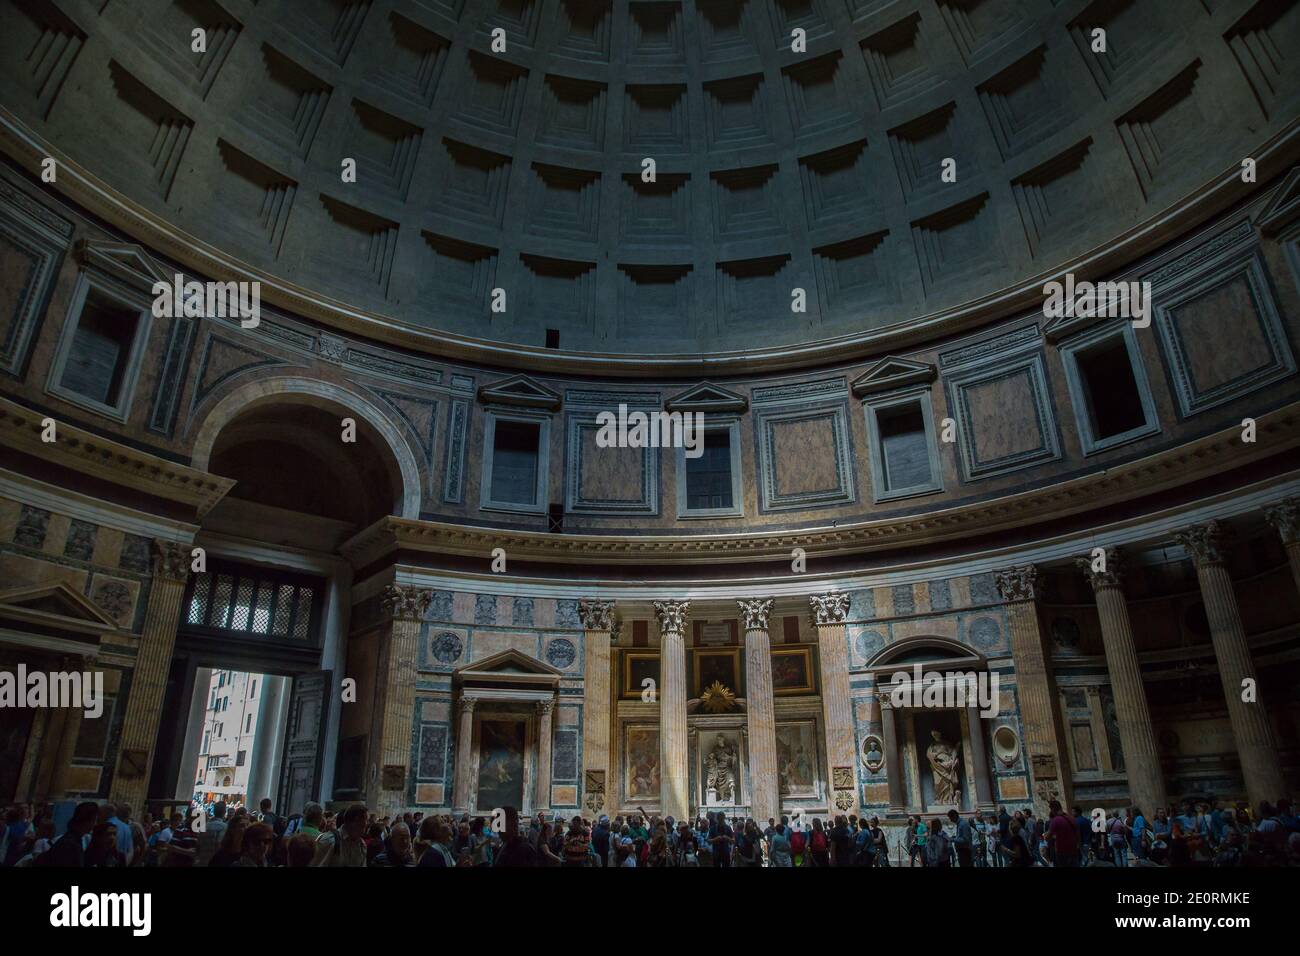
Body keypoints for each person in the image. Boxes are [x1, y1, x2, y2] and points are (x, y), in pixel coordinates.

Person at [1046, 800, 1079, 866]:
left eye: (1051, 809)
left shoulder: (1055, 820)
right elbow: (1077, 834)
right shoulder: (1071, 818)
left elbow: (1047, 837)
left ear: (1053, 809)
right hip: (1073, 849)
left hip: (1062, 851)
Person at [195, 801, 228, 867]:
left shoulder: (204, 826)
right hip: (214, 862)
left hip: (201, 861)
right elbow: (219, 844)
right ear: (224, 812)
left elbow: (198, 845)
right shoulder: (224, 827)